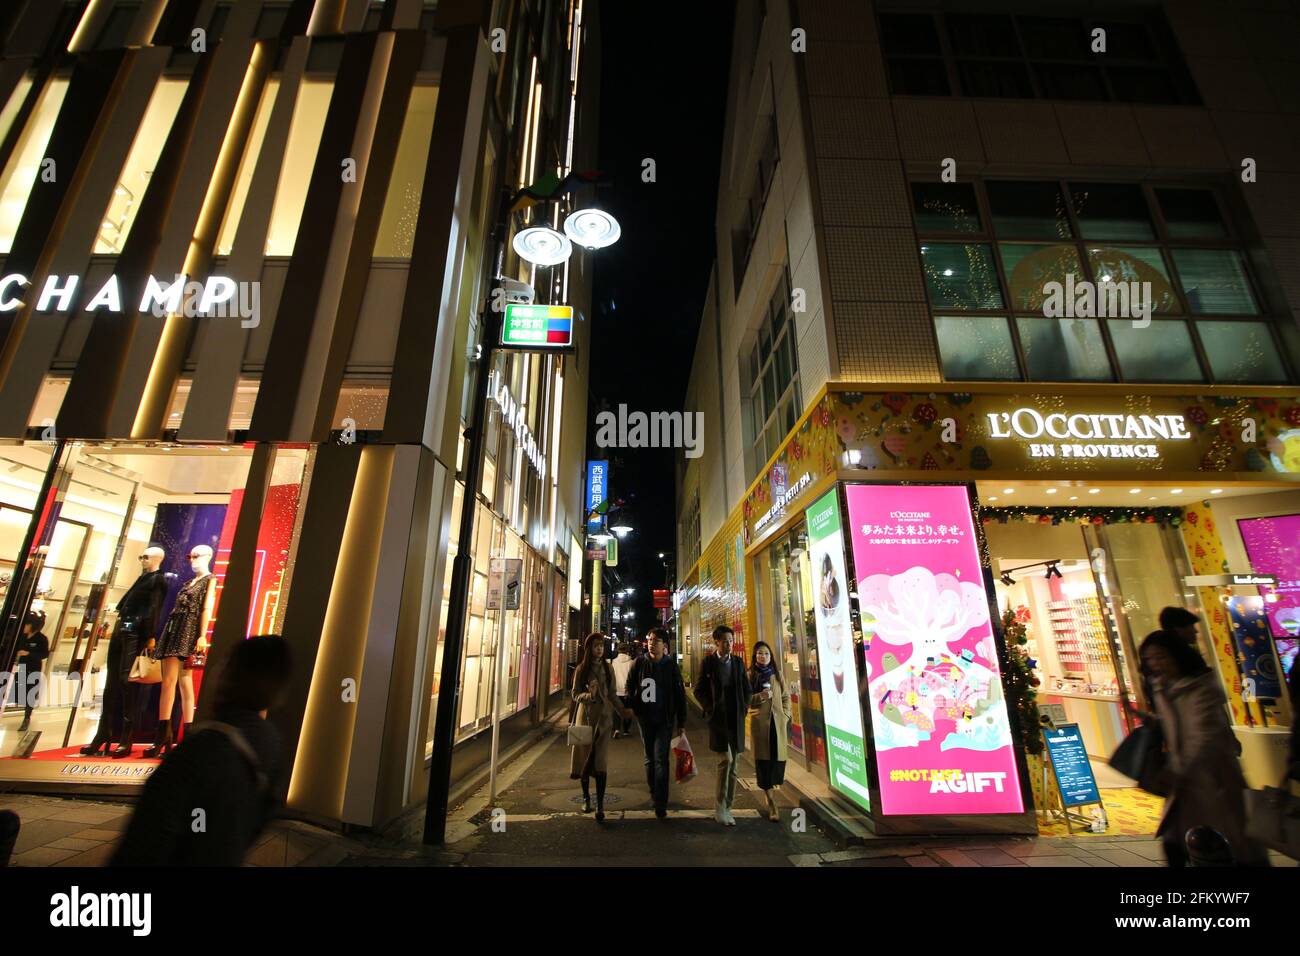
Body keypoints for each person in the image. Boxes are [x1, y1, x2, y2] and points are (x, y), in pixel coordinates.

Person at [110, 635, 292, 866]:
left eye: (225, 663)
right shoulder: (270, 742)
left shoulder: (201, 749)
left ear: (231, 675)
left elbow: (147, 838)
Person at [1139, 629, 1268, 867]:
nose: (1156, 664)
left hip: (1212, 780)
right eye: (1150, 659)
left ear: (1177, 655)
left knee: (1230, 845)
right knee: (1178, 844)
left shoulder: (1201, 688)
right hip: (1186, 784)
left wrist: (1178, 771)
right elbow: (1178, 727)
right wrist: (1150, 721)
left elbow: (1204, 736)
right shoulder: (1163, 689)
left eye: (1161, 657)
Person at [568, 632, 630, 822]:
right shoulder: (581, 669)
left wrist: (622, 711)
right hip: (585, 718)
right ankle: (586, 798)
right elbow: (574, 694)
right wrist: (589, 695)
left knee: (601, 762)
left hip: (603, 720)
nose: (599, 649)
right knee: (585, 760)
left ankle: (600, 803)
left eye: (601, 646)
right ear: (589, 648)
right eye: (596, 646)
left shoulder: (608, 668)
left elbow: (612, 694)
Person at [694, 624, 751, 826]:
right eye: (725, 641)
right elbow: (698, 689)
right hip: (718, 720)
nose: (729, 645)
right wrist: (709, 708)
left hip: (735, 719)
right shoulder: (708, 662)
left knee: (735, 766)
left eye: (731, 641)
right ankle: (719, 808)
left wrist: (744, 708)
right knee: (725, 761)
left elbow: (747, 689)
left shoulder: (737, 663)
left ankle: (728, 807)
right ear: (716, 642)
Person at [627, 627, 687, 819]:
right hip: (645, 718)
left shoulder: (670, 666)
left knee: (661, 758)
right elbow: (630, 686)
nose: (652, 643)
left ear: (665, 645)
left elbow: (679, 693)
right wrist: (634, 706)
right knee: (649, 758)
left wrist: (681, 720)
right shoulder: (639, 663)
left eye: (656, 640)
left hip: (665, 719)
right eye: (650, 639)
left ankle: (661, 801)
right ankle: (653, 791)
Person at [748, 641, 791, 823]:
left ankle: (771, 792)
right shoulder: (750, 675)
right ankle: (772, 801)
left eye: (765, 653)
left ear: (770, 656)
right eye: (759, 653)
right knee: (764, 763)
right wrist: (760, 697)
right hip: (761, 724)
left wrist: (786, 715)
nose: (762, 656)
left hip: (777, 724)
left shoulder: (777, 674)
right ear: (755, 656)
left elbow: (786, 696)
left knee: (777, 761)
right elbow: (746, 699)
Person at [12, 612, 49, 732]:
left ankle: (26, 718)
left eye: (27, 624)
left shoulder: (41, 639)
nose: (24, 627)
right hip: (18, 668)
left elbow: (44, 654)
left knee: (29, 694)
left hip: (32, 669)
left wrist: (29, 653)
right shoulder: (20, 636)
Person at [611, 643, 634, 738]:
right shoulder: (631, 662)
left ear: (618, 650)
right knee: (628, 709)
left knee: (616, 711)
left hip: (616, 690)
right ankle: (626, 730)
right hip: (627, 690)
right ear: (627, 650)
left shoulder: (614, 662)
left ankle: (617, 729)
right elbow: (632, 677)